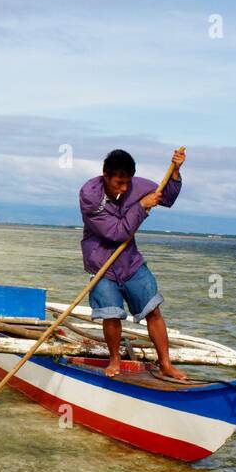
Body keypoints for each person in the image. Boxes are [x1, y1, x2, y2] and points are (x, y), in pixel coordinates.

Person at [79, 148, 187, 380]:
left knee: (153, 311)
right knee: (112, 314)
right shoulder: (90, 196)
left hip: (131, 263)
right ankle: (115, 360)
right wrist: (141, 207)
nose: (124, 188)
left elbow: (166, 198)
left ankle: (166, 364)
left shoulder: (137, 186)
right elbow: (116, 233)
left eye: (128, 182)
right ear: (106, 176)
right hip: (103, 266)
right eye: (119, 183)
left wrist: (176, 172)